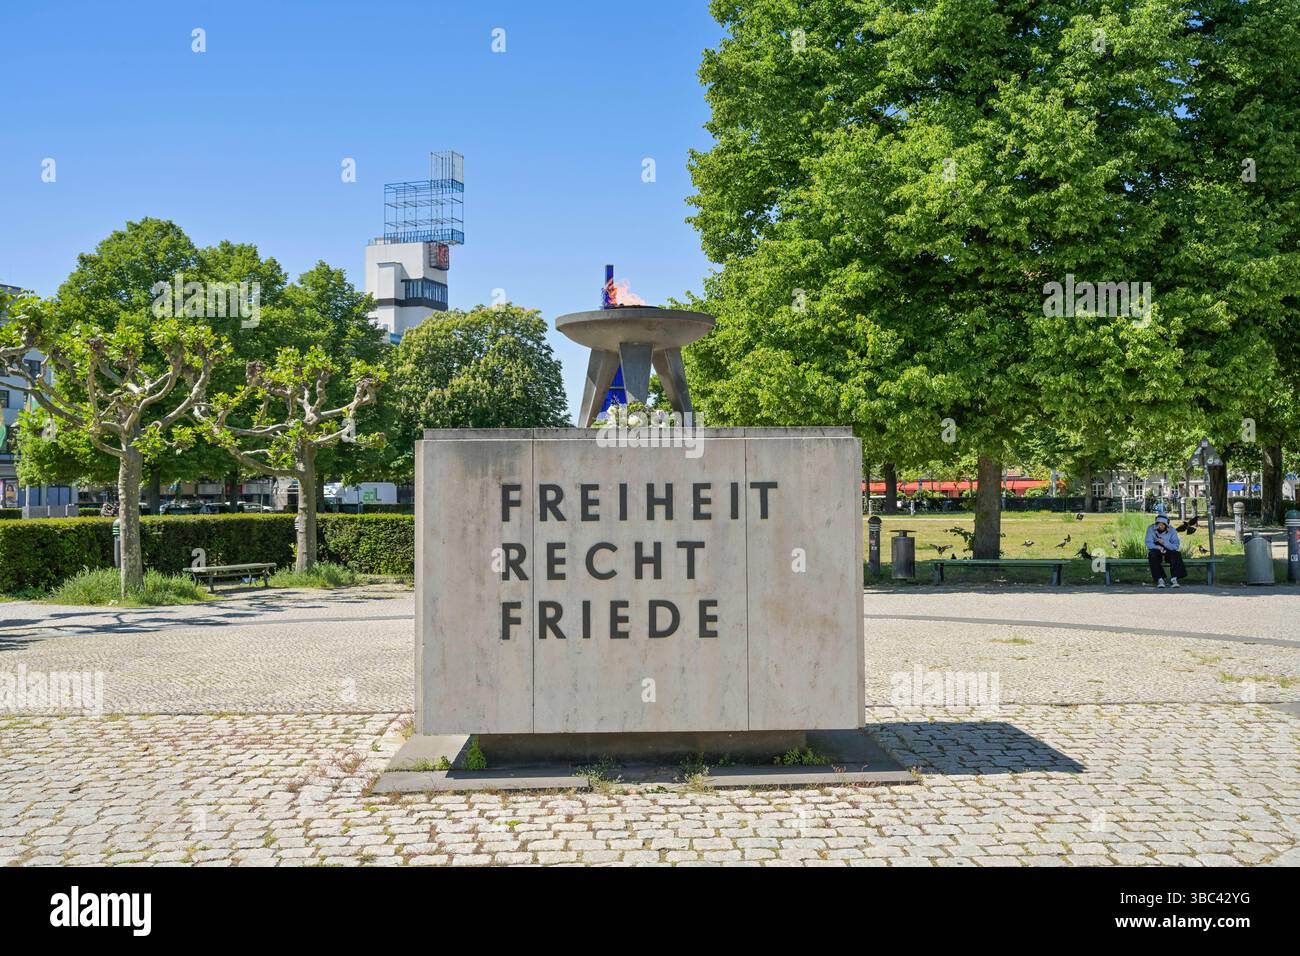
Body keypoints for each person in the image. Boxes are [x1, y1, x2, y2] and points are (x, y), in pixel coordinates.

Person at [1145, 511, 1186, 588]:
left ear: (1166, 524)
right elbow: (1149, 543)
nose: (1160, 525)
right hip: (1156, 548)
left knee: (1176, 554)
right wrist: (1159, 547)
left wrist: (1165, 543)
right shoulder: (1150, 528)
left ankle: (1174, 578)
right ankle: (1160, 579)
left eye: (1163, 524)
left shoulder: (1172, 530)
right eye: (1158, 523)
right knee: (1152, 555)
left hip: (1168, 548)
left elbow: (1175, 546)